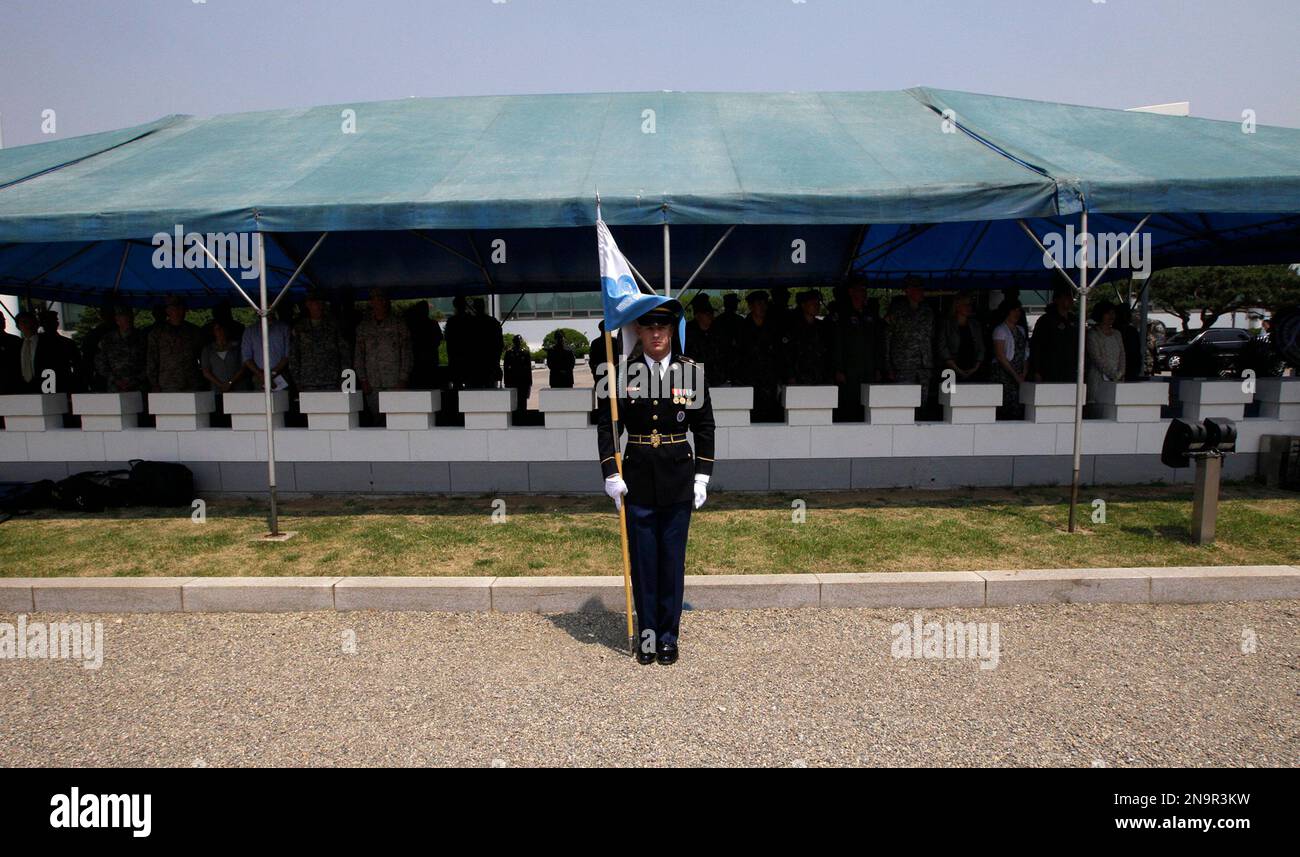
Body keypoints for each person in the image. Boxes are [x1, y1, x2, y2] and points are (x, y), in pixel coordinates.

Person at [597, 300, 715, 666]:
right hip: (638, 479)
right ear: (640, 333)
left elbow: (705, 427)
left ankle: (668, 636)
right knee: (644, 562)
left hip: (679, 478)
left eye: (663, 328)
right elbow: (608, 427)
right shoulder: (618, 374)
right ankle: (647, 635)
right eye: (649, 328)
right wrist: (611, 473)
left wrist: (703, 476)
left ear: (671, 332)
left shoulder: (690, 372)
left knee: (671, 562)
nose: (657, 334)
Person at [353, 288, 412, 421]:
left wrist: (403, 379)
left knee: (396, 419)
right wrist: (363, 380)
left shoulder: (399, 324)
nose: (379, 303)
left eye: (382, 299)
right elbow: (358, 356)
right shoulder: (363, 327)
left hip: (394, 383)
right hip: (373, 384)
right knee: (378, 421)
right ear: (371, 303)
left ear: (387, 302)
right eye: (376, 300)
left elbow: (407, 354)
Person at [831, 281, 884, 419]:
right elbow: (837, 343)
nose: (863, 293)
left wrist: (878, 367)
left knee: (869, 402)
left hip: (869, 367)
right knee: (850, 403)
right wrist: (839, 369)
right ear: (851, 292)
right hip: (849, 368)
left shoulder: (871, 314)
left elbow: (878, 342)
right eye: (859, 289)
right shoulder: (843, 314)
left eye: (864, 290)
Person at [885, 277, 936, 404]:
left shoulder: (927, 311)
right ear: (908, 291)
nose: (921, 292)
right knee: (904, 403)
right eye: (917, 289)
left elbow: (931, 337)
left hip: (924, 366)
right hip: (903, 366)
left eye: (922, 289)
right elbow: (887, 339)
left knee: (922, 403)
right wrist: (888, 366)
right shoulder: (897, 311)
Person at [291, 289, 351, 392]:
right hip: (308, 381)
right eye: (315, 302)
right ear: (308, 304)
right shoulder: (299, 327)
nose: (319, 305)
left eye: (321, 302)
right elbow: (294, 356)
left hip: (332, 379)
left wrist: (344, 379)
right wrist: (297, 381)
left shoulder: (334, 325)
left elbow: (345, 354)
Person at [737, 290, 783, 421]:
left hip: (770, 382)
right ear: (751, 306)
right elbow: (738, 356)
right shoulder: (743, 328)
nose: (763, 307)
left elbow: (779, 354)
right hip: (750, 382)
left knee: (771, 417)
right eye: (759, 303)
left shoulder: (773, 327)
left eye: (764, 303)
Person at [1029, 284, 1078, 382]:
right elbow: (1036, 346)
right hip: (1050, 368)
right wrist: (1036, 370)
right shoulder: (1046, 320)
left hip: (1070, 368)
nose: (1070, 300)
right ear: (1057, 299)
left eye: (1071, 297)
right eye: (1067, 296)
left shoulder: (1074, 319)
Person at [94, 305, 148, 394]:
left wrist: (136, 379)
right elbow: (100, 362)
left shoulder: (142, 337)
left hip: (138, 386)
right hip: (115, 387)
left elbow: (150, 361)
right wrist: (114, 379)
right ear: (117, 320)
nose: (128, 320)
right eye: (124, 317)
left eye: (130, 317)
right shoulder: (108, 339)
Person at [989, 300, 1029, 419]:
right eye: (1013, 310)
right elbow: (1000, 356)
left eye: (1018, 310)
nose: (1016, 313)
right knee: (1005, 405)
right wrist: (1016, 376)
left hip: (1019, 371)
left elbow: (1025, 353)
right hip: (1004, 373)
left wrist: (1024, 372)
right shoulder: (1000, 330)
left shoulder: (1021, 330)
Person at [783, 289, 831, 385]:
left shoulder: (822, 327)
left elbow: (828, 353)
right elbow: (787, 354)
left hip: (819, 377)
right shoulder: (793, 328)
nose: (816, 306)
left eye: (818, 303)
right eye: (813, 303)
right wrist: (790, 376)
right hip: (799, 378)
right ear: (803, 305)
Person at [240, 304, 292, 392]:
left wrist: (272, 373)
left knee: (282, 403)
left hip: (280, 375)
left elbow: (287, 355)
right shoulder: (250, 331)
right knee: (260, 404)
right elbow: (247, 357)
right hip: (258, 376)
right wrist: (261, 375)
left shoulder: (284, 328)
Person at [937, 294, 985, 383]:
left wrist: (975, 367)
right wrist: (957, 369)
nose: (969, 307)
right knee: (951, 395)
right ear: (957, 306)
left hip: (972, 369)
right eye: (966, 305)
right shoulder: (946, 324)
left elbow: (981, 347)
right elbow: (942, 348)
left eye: (970, 305)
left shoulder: (975, 325)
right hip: (951, 369)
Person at [684, 293, 729, 386]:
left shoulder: (718, 330)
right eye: (707, 313)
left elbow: (723, 354)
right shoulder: (687, 332)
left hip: (716, 380)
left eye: (712, 313)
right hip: (693, 380)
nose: (711, 316)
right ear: (697, 315)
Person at [1085, 300, 1126, 402]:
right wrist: (1113, 374)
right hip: (1098, 378)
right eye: (1108, 313)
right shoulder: (1093, 334)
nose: (1111, 316)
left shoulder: (1117, 334)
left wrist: (1121, 372)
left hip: (1117, 378)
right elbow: (1096, 358)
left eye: (1113, 313)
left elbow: (1122, 354)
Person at [37, 309, 82, 393]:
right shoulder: (36, 343)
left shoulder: (67, 343)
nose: (54, 323)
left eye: (55, 320)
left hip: (63, 382)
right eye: (49, 321)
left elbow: (77, 365)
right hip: (45, 382)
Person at [404, 301, 442, 390]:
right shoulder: (432, 324)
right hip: (426, 360)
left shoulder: (412, 324)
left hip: (420, 360)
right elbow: (439, 339)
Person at [503, 335, 533, 410]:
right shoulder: (509, 353)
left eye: (519, 341)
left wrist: (529, 383)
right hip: (512, 381)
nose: (518, 342)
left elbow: (529, 369)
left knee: (522, 401)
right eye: (517, 341)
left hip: (523, 382)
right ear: (514, 342)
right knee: (512, 402)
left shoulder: (525, 353)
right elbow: (506, 368)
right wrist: (506, 382)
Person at [0, 312, 21, 393]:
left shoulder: (15, 340)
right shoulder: (15, 340)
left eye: (3, 319)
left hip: (12, 384)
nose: (3, 321)